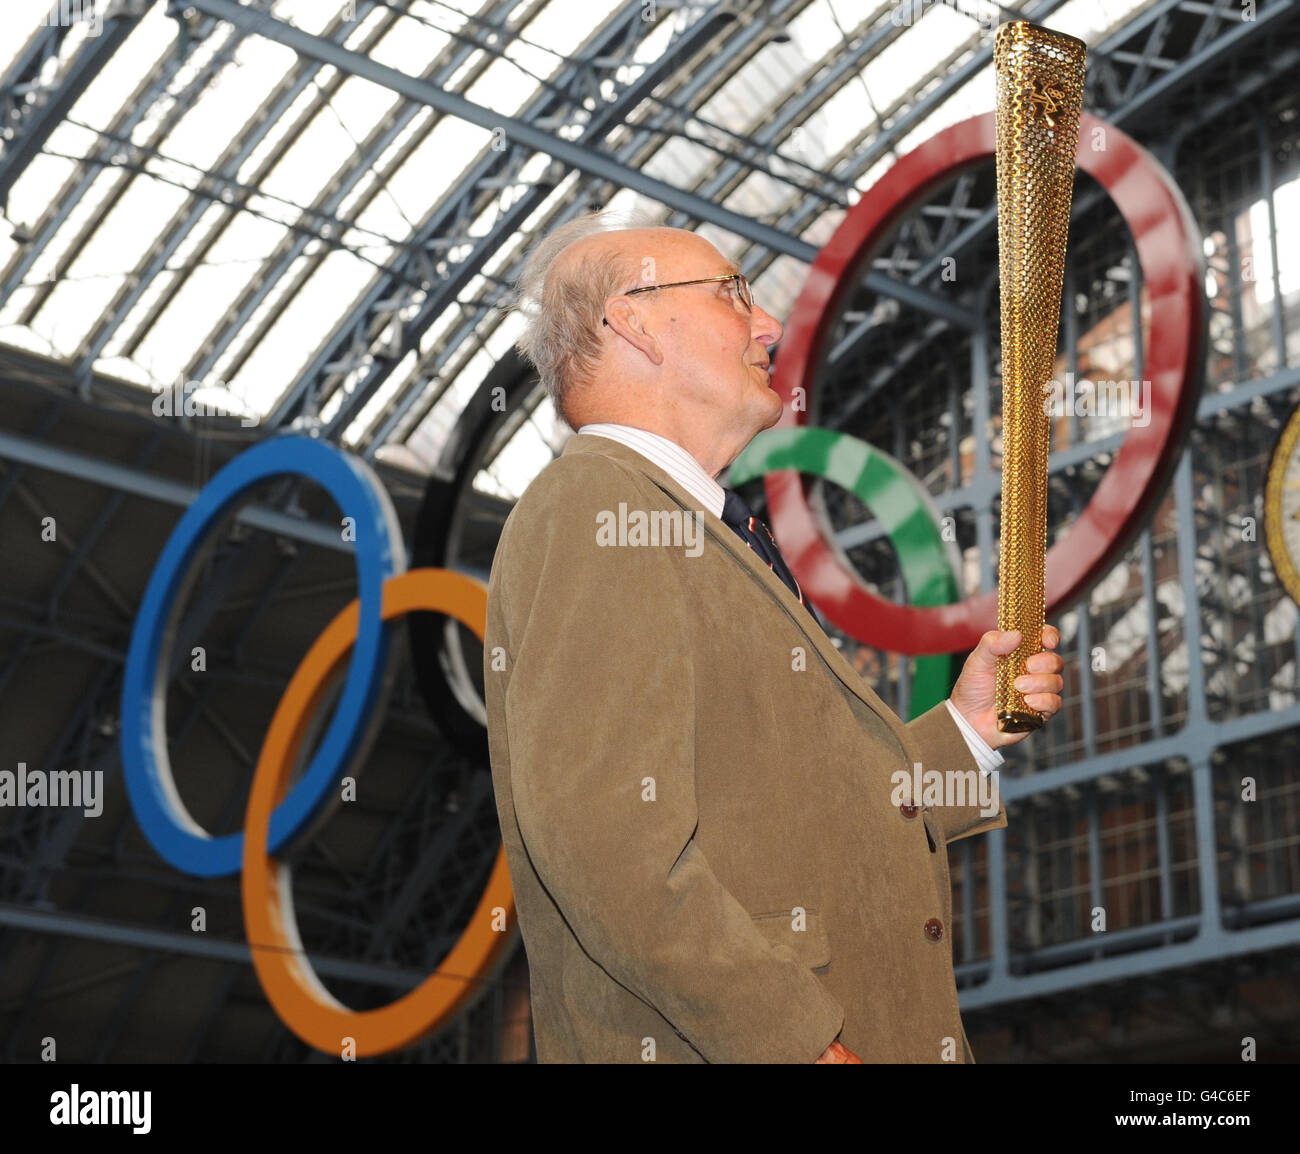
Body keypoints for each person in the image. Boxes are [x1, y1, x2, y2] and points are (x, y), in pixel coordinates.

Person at [482, 211, 1064, 1063]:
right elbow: (604, 842)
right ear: (633, 321)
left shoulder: (686, 524)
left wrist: (967, 734)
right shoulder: (601, 508)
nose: (770, 324)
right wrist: (791, 1043)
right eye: (732, 294)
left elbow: (809, 825)